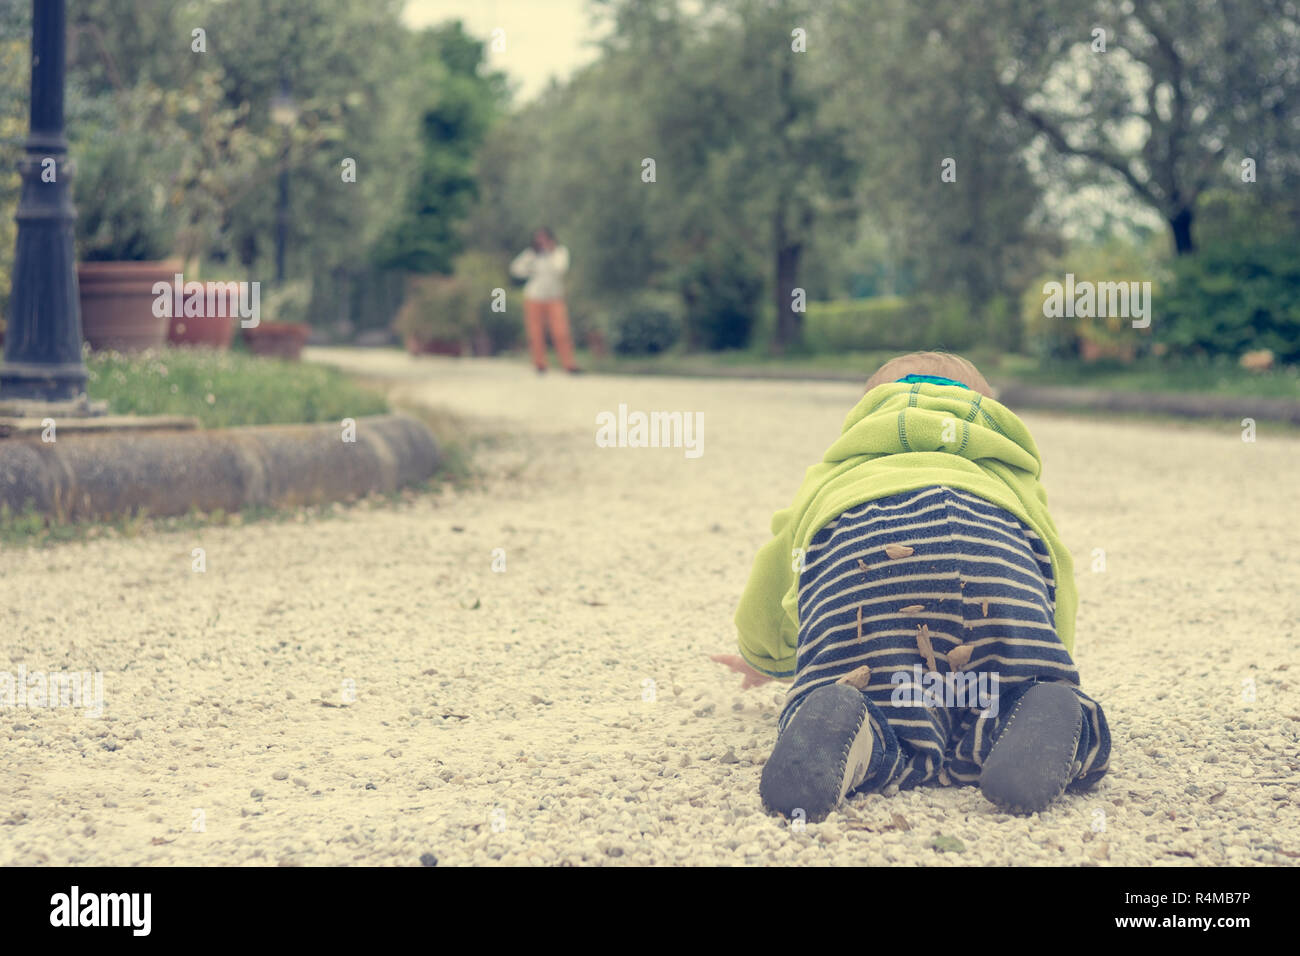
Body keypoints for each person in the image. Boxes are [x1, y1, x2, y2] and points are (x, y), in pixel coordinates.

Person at [715, 351, 1111, 821]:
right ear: (988, 412)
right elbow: (1054, 572)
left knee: (871, 696)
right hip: (994, 555)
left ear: (869, 411)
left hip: (865, 558)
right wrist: (1046, 660)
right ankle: (1033, 705)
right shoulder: (1005, 467)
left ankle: (861, 728)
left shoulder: (840, 471)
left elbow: (778, 569)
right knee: (1007, 690)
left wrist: (766, 655)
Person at [509, 227, 580, 374]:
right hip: (534, 297)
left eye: (544, 239)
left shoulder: (560, 252)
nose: (541, 242)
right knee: (535, 332)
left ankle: (569, 364)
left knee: (561, 331)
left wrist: (548, 254)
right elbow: (515, 269)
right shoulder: (531, 254)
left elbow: (560, 269)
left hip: (554, 297)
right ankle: (539, 363)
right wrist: (531, 267)